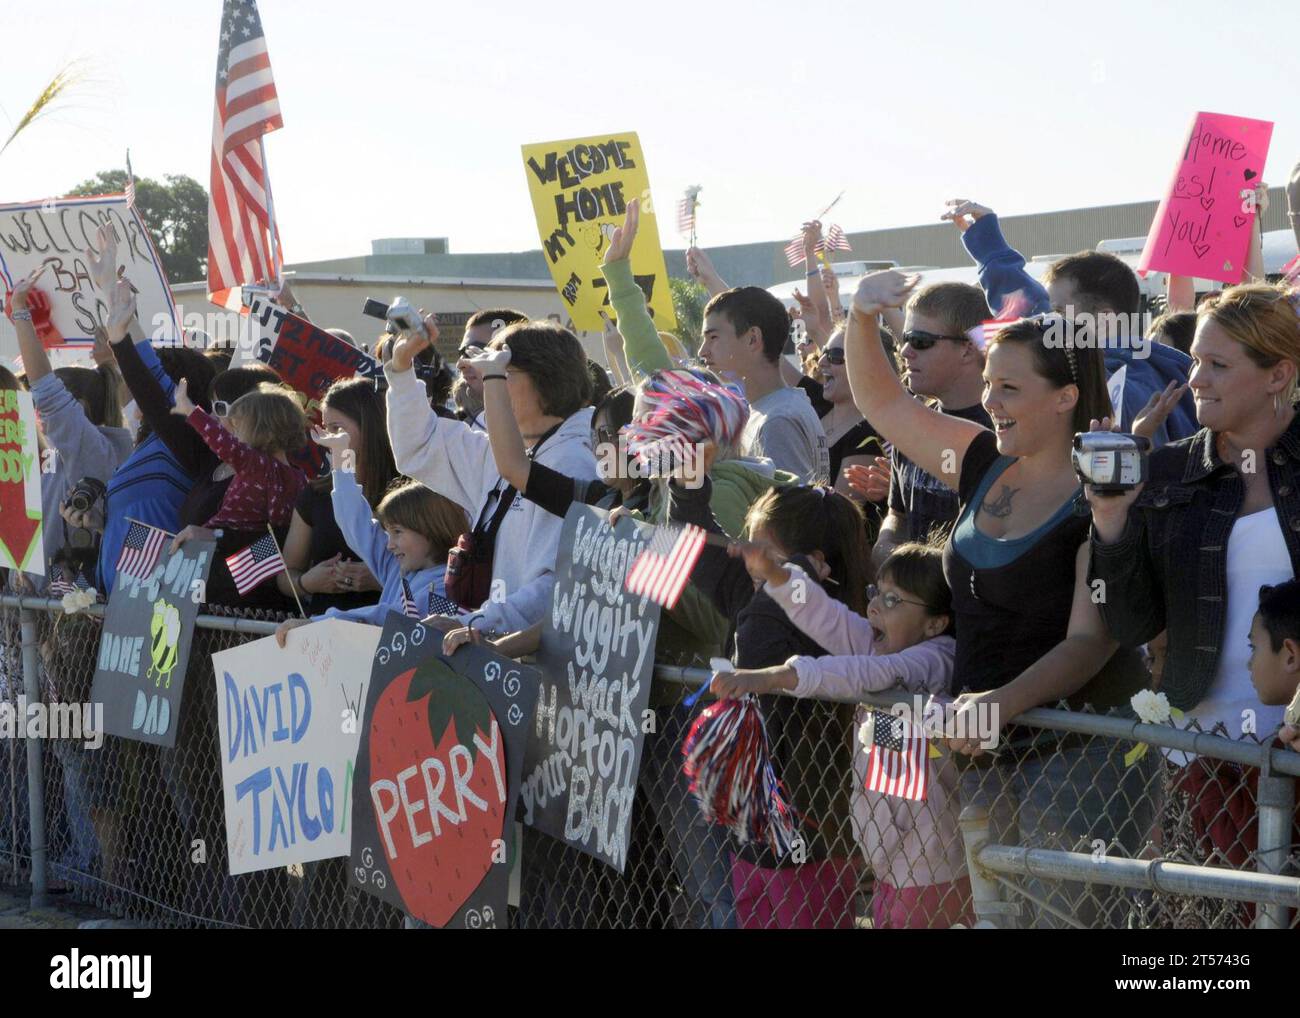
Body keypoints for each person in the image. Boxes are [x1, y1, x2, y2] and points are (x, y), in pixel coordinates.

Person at [845, 268, 1154, 928]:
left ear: (1066, 395)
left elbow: (1089, 640)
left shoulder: (1099, 494)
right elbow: (884, 405)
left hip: (1078, 757)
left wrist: (997, 705)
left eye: (1009, 388)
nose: (989, 401)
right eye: (988, 383)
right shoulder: (982, 459)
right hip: (988, 754)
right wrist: (862, 315)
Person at [1090, 283, 1300, 866]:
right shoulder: (1164, 470)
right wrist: (1111, 521)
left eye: (1217, 365)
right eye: (1195, 362)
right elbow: (1131, 623)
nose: (1196, 380)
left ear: (1278, 375)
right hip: (1199, 757)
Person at [712, 541, 971, 929]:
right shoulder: (879, 646)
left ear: (935, 623)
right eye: (874, 593)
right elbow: (823, 614)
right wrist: (778, 575)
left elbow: (868, 675)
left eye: (892, 599)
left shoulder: (936, 657)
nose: (873, 607)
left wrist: (773, 677)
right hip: (890, 865)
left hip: (934, 867)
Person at [668, 466, 866, 929]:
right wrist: (688, 476)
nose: (746, 559)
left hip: (813, 840)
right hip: (751, 837)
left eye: (764, 552)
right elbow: (693, 540)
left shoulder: (829, 624)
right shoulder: (758, 593)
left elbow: (757, 637)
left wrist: (792, 577)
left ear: (813, 563)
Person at [384, 316, 598, 636]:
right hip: (496, 647)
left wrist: (477, 626)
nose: (488, 387)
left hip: (539, 663)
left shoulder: (575, 460)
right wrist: (401, 370)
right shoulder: (502, 449)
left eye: (501, 374)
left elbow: (558, 585)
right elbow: (420, 446)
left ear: (547, 377)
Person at [944, 198, 1197, 444]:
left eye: (1058, 313)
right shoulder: (1158, 372)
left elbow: (1030, 312)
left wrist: (991, 252)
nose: (1044, 323)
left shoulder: (1117, 382)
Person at [611, 199, 829, 483]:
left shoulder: (778, 421)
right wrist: (618, 276)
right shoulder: (771, 410)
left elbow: (790, 518)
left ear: (753, 339)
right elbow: (657, 377)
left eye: (713, 337)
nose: (702, 351)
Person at [274, 430, 465, 643]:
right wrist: (341, 455)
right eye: (388, 532)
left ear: (429, 528)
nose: (390, 544)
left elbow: (387, 617)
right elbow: (355, 521)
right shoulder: (397, 566)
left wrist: (319, 623)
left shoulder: (447, 585)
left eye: (398, 532)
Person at [866, 282, 992, 569]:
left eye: (921, 340)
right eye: (905, 338)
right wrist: (885, 545)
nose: (905, 350)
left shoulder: (1005, 432)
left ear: (967, 350)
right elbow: (897, 514)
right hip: (916, 606)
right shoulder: (912, 424)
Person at [278, 377, 396, 613]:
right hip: (323, 634)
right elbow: (285, 576)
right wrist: (307, 582)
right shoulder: (316, 494)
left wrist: (382, 578)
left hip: (388, 633)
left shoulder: (405, 489)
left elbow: (434, 573)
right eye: (325, 428)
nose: (327, 439)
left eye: (337, 429)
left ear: (369, 426)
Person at [169, 379, 308, 535]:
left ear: (265, 432)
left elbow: (224, 442)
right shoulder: (300, 479)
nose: (235, 435)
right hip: (253, 551)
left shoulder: (257, 465)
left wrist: (190, 409)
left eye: (239, 428)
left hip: (221, 548)